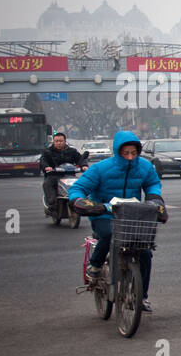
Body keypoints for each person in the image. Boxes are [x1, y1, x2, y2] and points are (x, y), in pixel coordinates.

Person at [68, 131, 167, 312]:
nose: (130, 157)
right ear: (117, 151)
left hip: (131, 215)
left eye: (133, 153)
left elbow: (153, 184)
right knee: (108, 235)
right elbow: (78, 188)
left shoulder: (145, 167)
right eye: (125, 153)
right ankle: (96, 266)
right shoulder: (100, 168)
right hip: (104, 214)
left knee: (145, 252)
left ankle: (141, 296)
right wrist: (80, 201)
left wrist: (155, 200)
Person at [39, 132, 85, 209]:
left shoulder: (72, 151)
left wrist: (84, 166)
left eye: (61, 141)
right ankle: (51, 203)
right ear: (53, 142)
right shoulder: (47, 152)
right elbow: (43, 161)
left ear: (65, 141)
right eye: (56, 141)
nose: (58, 143)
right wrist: (47, 167)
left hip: (70, 175)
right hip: (54, 175)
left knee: (81, 183)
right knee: (47, 183)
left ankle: (81, 199)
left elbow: (80, 159)